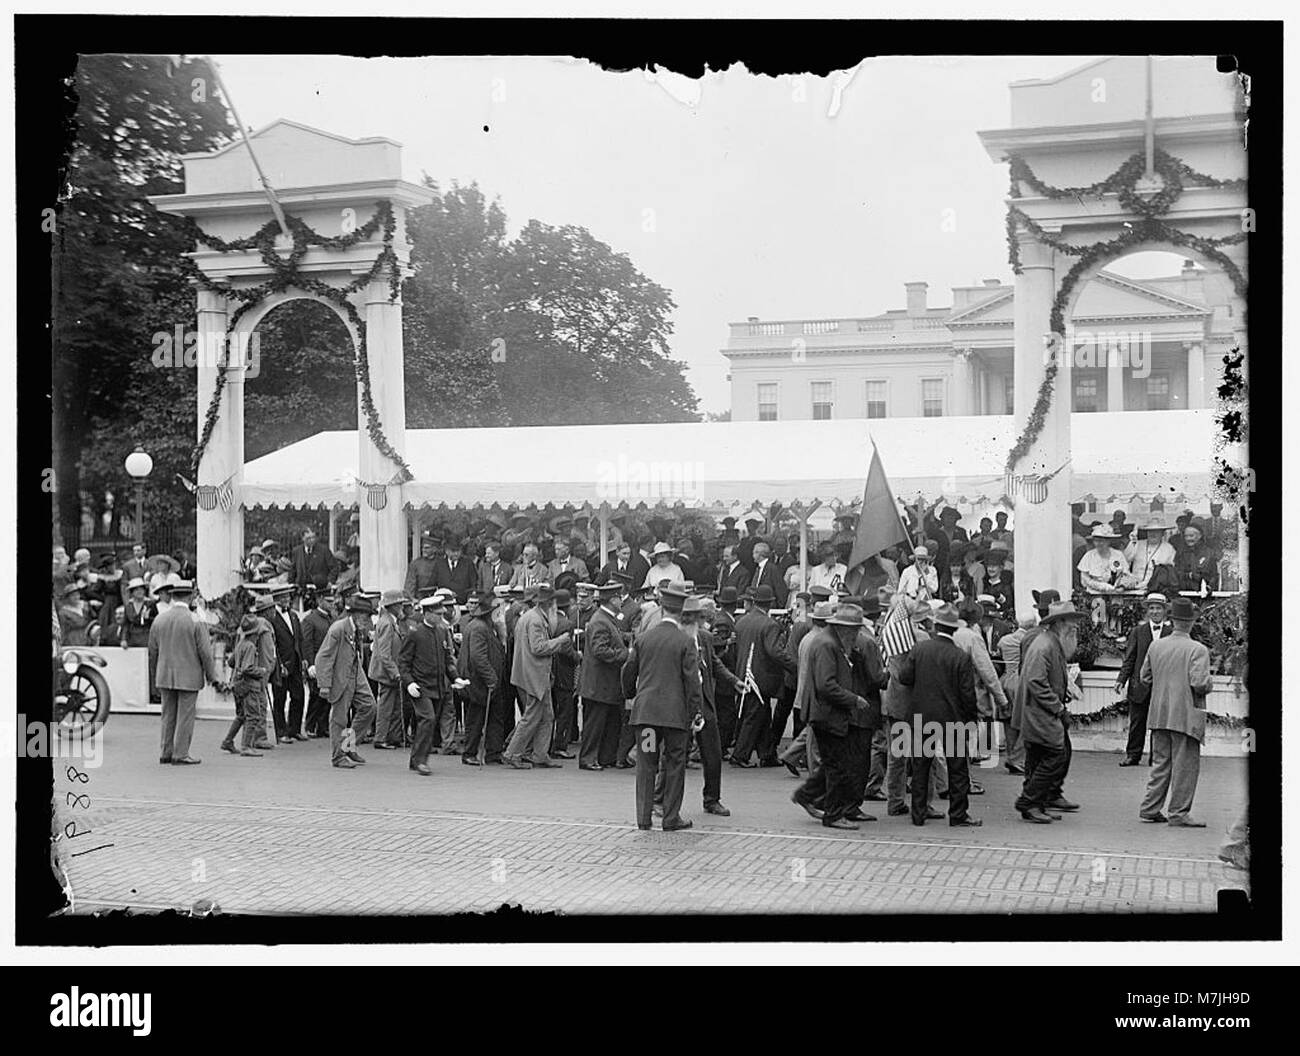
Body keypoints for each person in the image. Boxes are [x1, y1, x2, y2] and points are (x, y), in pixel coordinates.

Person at [621, 582, 702, 831]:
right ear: (681, 612)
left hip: (646, 715)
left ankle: (644, 818)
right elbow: (691, 682)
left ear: (662, 608)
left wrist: (633, 695)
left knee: (646, 764)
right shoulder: (685, 641)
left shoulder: (643, 639)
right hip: (674, 718)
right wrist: (694, 713)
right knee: (674, 763)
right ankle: (670, 818)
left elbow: (628, 671)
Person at [897, 603, 982, 828]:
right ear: (954, 629)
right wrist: (971, 719)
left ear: (935, 625)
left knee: (921, 767)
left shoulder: (920, 649)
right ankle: (958, 814)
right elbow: (967, 694)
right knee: (957, 769)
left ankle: (918, 814)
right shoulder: (960, 657)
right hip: (951, 719)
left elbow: (905, 677)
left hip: (921, 717)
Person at [1138, 597, 1213, 826]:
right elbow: (1199, 683)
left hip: (1159, 713)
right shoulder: (1197, 650)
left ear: (1172, 620)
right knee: (1185, 767)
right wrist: (1210, 683)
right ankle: (1178, 813)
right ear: (1190, 623)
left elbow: (1144, 677)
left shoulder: (1156, 645)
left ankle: (1150, 808)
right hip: (1185, 715)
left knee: (1161, 763)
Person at [1011, 600, 1087, 822]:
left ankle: (1036, 804)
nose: (1075, 625)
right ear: (1060, 623)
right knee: (1056, 754)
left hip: (1039, 711)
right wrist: (1058, 707)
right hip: (1040, 713)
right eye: (1072, 621)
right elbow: (1036, 682)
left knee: (1038, 757)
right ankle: (1029, 800)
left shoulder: (1050, 642)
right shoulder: (1046, 645)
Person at [802, 603, 876, 829]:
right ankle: (833, 814)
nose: (856, 635)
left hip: (831, 714)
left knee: (836, 764)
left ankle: (830, 807)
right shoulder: (827, 645)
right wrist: (853, 699)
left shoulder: (832, 642)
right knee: (836, 766)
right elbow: (826, 685)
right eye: (854, 630)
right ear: (844, 629)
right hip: (828, 715)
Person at [147, 580, 219, 766]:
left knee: (167, 714)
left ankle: (166, 751)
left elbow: (152, 652)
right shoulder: (195, 619)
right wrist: (212, 676)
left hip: (164, 675)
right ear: (190, 597)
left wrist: (156, 674)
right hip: (189, 675)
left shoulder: (160, 619)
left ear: (172, 596)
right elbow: (205, 651)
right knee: (185, 715)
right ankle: (180, 753)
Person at [504, 583, 574, 769]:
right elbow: (538, 648)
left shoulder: (530, 617)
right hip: (534, 675)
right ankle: (513, 753)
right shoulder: (535, 620)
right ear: (550, 603)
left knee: (547, 715)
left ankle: (539, 754)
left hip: (531, 673)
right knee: (532, 716)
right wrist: (560, 640)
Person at [728, 584, 796, 767]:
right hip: (760, 677)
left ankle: (767, 754)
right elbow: (775, 652)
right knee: (753, 716)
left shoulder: (741, 621)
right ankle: (740, 755)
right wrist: (794, 666)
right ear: (770, 603)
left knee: (762, 714)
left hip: (745, 672)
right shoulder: (769, 624)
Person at [398, 594, 461, 776]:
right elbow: (404, 661)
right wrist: (409, 682)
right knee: (428, 719)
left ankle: (415, 758)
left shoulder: (441, 631)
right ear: (426, 613)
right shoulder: (415, 633)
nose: (441, 617)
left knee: (426, 723)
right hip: (420, 686)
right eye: (437, 613)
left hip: (437, 686)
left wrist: (455, 677)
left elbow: (447, 659)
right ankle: (421, 761)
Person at [690, 596, 741, 815]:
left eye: (704, 617)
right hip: (683, 704)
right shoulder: (677, 638)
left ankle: (712, 799)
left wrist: (733, 680)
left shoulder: (704, 637)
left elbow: (714, 663)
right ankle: (659, 798)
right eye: (699, 617)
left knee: (713, 754)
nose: (703, 622)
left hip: (705, 701)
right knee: (672, 755)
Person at [314, 595, 377, 769]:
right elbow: (323, 657)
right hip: (340, 676)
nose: (368, 620)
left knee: (369, 706)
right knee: (339, 718)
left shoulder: (357, 628)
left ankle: (348, 745)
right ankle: (338, 756)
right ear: (355, 614)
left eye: (369, 616)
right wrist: (324, 685)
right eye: (366, 616)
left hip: (356, 673)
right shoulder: (338, 629)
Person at [1114, 592, 1172, 766]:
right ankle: (1133, 754)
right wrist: (1121, 679)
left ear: (1164, 611)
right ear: (1147, 611)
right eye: (1152, 608)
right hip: (1139, 685)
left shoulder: (1171, 632)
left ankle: (1156, 756)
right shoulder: (1138, 632)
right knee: (1137, 722)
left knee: (1159, 723)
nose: (1155, 612)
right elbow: (1130, 658)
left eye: (1158, 608)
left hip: (1162, 686)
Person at [459, 592, 504, 764]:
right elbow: (478, 657)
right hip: (480, 682)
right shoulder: (479, 628)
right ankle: (470, 753)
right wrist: (491, 678)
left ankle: (493, 753)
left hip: (485, 681)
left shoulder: (485, 626)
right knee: (476, 719)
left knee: (493, 717)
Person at [996, 611, 1037, 775]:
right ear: (1032, 625)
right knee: (1023, 721)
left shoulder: (1004, 640)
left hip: (1005, 680)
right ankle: (1017, 759)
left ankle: (1012, 755)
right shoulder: (1030, 640)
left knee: (1008, 720)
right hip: (1020, 681)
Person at [367, 589, 408, 750]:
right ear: (394, 606)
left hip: (390, 672)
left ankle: (393, 736)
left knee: (395, 705)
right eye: (400, 604)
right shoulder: (386, 623)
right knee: (386, 706)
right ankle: (381, 737)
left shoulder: (389, 621)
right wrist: (395, 672)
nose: (402, 607)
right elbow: (384, 654)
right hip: (386, 673)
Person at [225, 613, 271, 757]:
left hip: (237, 685)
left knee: (241, 716)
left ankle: (228, 741)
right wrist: (261, 671)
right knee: (253, 716)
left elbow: (231, 662)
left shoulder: (241, 644)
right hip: (249, 686)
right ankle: (246, 746)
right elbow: (247, 668)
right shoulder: (251, 646)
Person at [268, 586, 306, 744]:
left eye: (288, 597)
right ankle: (281, 731)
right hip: (281, 665)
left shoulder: (294, 616)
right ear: (276, 599)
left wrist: (303, 659)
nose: (287, 600)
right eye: (283, 598)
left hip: (295, 662)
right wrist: (278, 664)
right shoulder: (272, 618)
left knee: (299, 696)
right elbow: (272, 643)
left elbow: (299, 639)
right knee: (280, 698)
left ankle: (294, 729)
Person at [300, 592, 337, 738]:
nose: (332, 604)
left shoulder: (331, 618)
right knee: (315, 696)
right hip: (316, 662)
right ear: (320, 600)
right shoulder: (310, 619)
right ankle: (310, 725)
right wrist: (310, 664)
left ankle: (322, 726)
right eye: (328, 601)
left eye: (333, 601)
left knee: (326, 697)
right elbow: (307, 643)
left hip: (329, 663)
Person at [1125, 522, 1178, 594]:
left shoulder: (1169, 548)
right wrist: (1133, 542)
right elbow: (1126, 559)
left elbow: (1170, 571)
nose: (1153, 534)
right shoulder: (1138, 544)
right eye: (1150, 531)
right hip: (1133, 587)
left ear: (1162, 533)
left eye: (1156, 532)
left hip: (1155, 590)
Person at [1077, 525, 1130, 592]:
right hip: (1093, 595)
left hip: (1116, 594)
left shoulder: (1118, 555)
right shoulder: (1089, 556)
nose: (1098, 544)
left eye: (1102, 541)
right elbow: (1084, 580)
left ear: (1108, 541)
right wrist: (1101, 586)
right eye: (1096, 541)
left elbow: (1126, 575)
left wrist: (1122, 586)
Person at [1172, 521, 1219, 593]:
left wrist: (1209, 587)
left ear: (1199, 536)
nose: (1188, 539)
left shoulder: (1209, 553)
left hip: (1203, 594)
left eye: (1191, 536)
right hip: (1184, 593)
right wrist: (1189, 575)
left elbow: (1214, 575)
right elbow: (1176, 572)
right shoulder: (1181, 553)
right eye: (1186, 536)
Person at [432, 535, 478, 605]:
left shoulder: (468, 564)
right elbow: (432, 584)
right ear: (446, 551)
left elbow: (474, 585)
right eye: (453, 551)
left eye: (458, 551)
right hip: (444, 605)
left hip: (464, 605)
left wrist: (470, 600)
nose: (456, 554)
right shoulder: (439, 564)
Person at [291, 528, 337, 593]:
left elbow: (334, 568)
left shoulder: (324, 550)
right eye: (308, 538)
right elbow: (293, 570)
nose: (312, 540)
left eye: (313, 537)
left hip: (320, 589)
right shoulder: (296, 551)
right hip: (301, 590)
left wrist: (330, 582)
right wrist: (292, 583)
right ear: (302, 538)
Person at [748, 541, 787, 608]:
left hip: (769, 608)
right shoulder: (758, 568)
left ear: (760, 554)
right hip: (757, 607)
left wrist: (778, 609)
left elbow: (780, 589)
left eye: (754, 552)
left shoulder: (772, 569)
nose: (752, 555)